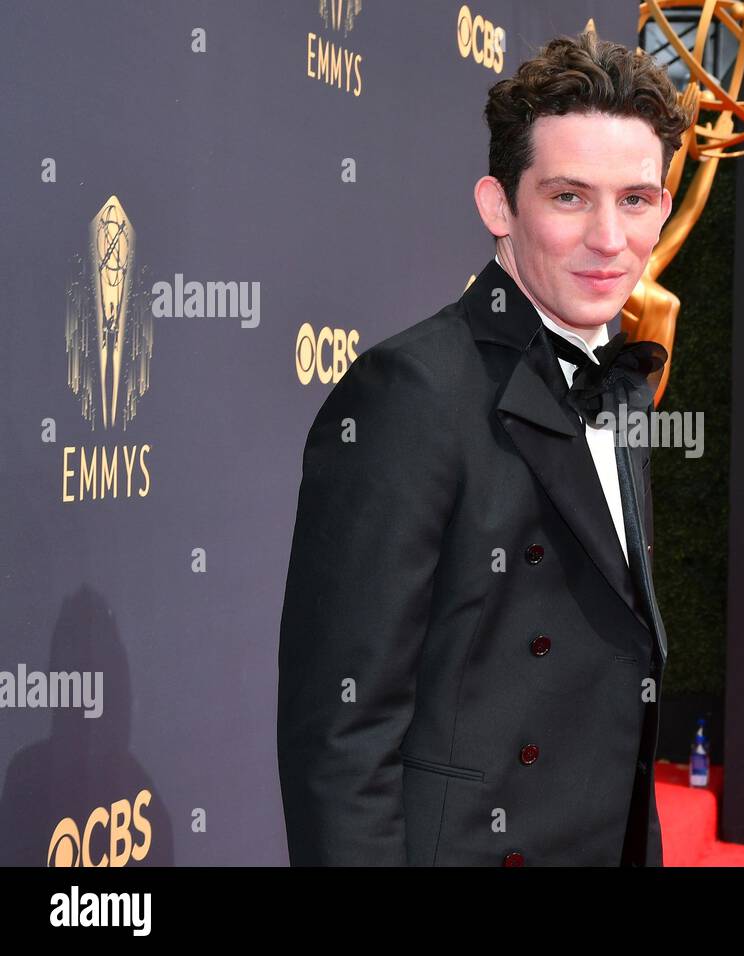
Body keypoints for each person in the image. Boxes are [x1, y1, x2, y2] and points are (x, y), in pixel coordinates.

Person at [277, 29, 691, 866]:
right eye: (570, 197)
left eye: (637, 199)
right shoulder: (410, 393)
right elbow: (341, 727)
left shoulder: (621, 379)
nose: (611, 239)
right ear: (499, 206)